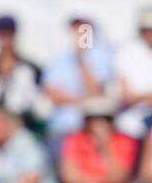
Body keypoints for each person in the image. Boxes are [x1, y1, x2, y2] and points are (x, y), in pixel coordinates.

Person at [42, 15, 114, 156]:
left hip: (88, 131)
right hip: (61, 128)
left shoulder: (102, 56)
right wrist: (81, 100)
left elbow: (96, 91)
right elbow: (52, 94)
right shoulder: (58, 58)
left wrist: (81, 59)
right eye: (76, 29)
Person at [0, 14, 44, 132]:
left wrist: (23, 80)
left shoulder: (30, 67)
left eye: (9, 34)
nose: (5, 38)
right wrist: (1, 80)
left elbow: (41, 109)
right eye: (2, 34)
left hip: (22, 131)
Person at [114, 6, 152, 140]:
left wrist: (142, 96)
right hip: (130, 128)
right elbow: (125, 96)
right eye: (148, 30)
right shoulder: (127, 52)